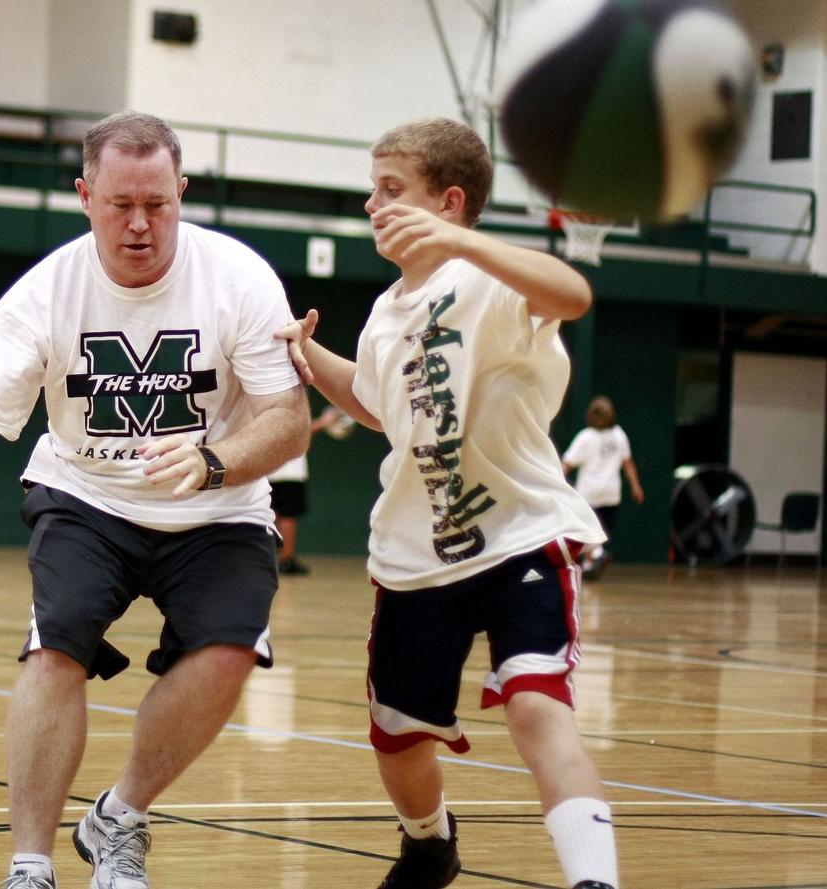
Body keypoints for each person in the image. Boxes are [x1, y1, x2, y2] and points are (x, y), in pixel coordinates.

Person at [0, 111, 310, 889]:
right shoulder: (41, 297)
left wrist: (215, 458)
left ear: (181, 191)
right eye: (120, 204)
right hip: (85, 491)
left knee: (230, 651)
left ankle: (118, 817)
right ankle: (30, 866)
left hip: (216, 501)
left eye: (157, 203)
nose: (140, 223)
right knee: (57, 646)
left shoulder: (240, 278)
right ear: (85, 195)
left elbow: (288, 421)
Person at [276, 118, 619, 889]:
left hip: (520, 537)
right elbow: (372, 403)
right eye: (373, 190)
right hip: (416, 555)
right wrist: (304, 355)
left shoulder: (494, 279)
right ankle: (429, 841)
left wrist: (462, 245)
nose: (372, 205)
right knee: (398, 737)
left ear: (451, 201)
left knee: (536, 706)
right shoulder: (387, 311)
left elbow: (575, 291)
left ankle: (596, 881)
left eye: (391, 190)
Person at [562, 396, 645, 580]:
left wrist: (555, 481)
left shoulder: (585, 437)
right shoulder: (619, 435)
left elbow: (566, 464)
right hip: (611, 493)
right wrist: (636, 486)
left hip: (588, 494)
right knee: (601, 531)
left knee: (584, 529)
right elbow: (628, 463)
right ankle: (591, 563)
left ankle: (597, 555)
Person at [267, 405, 353, 575]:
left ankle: (274, 558)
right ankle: (286, 559)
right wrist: (324, 422)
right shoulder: (285, 413)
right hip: (287, 474)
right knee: (287, 516)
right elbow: (298, 433)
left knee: (275, 515)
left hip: (276, 472)